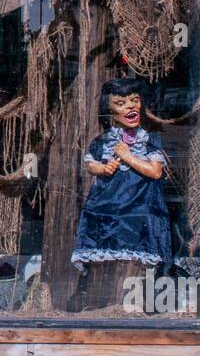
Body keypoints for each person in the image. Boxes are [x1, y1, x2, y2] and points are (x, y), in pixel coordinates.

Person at [70, 78, 172, 272]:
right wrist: (102, 169)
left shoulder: (150, 140)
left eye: (134, 100)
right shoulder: (104, 140)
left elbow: (155, 171)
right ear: (110, 110)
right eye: (121, 103)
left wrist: (128, 157)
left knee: (139, 258)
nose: (130, 107)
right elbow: (90, 163)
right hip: (107, 206)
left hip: (140, 206)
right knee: (107, 257)